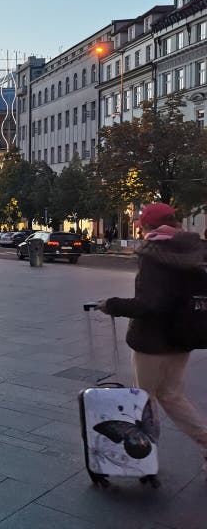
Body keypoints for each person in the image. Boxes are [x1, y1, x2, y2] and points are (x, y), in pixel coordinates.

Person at [97, 202, 207, 474]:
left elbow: (151, 304)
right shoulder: (193, 249)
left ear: (147, 226)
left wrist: (112, 304)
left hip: (152, 340)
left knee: (143, 399)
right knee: (172, 395)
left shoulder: (154, 254)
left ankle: (142, 455)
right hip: (184, 336)